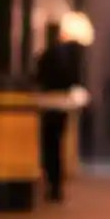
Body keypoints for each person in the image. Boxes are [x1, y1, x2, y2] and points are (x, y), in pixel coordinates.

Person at [34, 14, 88, 203]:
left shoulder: (47, 55)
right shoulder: (72, 56)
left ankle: (52, 182)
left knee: (49, 145)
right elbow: (75, 78)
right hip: (62, 104)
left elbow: (38, 77)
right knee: (57, 143)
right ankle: (56, 184)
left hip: (48, 103)